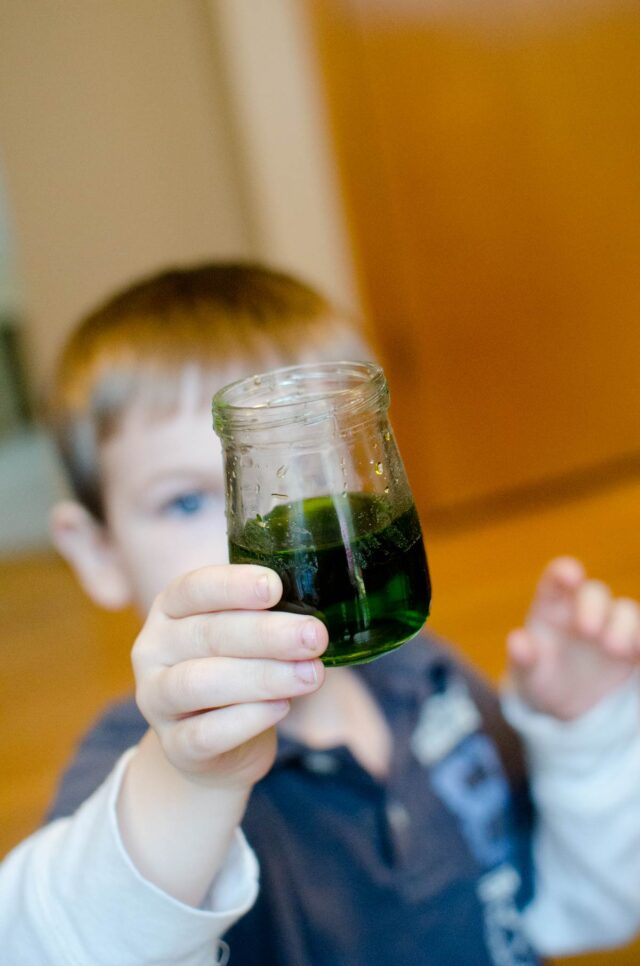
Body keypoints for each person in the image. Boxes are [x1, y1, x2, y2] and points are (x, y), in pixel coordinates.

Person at [3, 262, 640, 965]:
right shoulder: (136, 769)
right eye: (186, 501)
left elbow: (577, 910)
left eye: (310, 475)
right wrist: (186, 783)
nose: (259, 531)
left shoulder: (427, 677)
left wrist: (583, 735)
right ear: (98, 553)